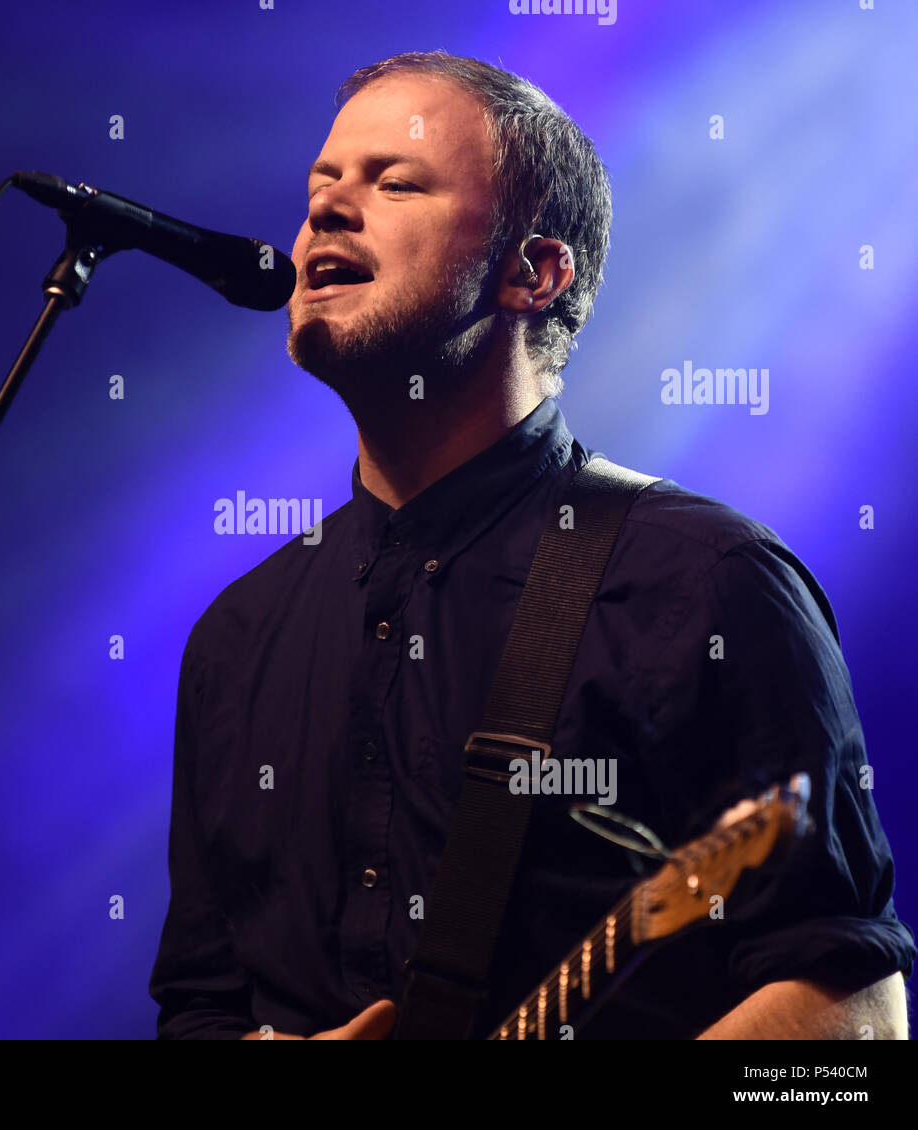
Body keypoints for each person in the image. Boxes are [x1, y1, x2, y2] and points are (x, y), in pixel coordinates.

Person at [148, 51, 913, 1040]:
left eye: (394, 181)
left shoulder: (707, 584)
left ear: (532, 271)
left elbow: (850, 1009)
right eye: (319, 189)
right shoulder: (236, 635)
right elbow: (198, 1004)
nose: (326, 214)